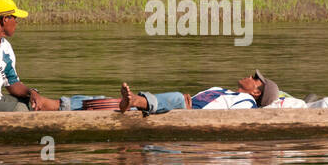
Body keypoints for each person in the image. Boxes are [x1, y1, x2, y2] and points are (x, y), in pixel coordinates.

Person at [116, 71, 283, 113]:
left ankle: (134, 101)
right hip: (179, 107)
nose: (249, 76)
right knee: (103, 101)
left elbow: (234, 122)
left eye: (254, 78)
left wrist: (190, 109)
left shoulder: (247, 103)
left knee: (177, 98)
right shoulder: (219, 89)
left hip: (186, 113)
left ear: (256, 93)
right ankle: (92, 100)